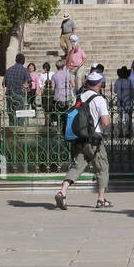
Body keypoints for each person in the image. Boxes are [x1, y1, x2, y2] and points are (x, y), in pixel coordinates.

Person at [55, 71, 112, 210]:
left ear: (87, 83)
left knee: (77, 166)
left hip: (79, 138)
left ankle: (62, 192)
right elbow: (105, 123)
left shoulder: (78, 97)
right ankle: (101, 199)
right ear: (99, 84)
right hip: (94, 140)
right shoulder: (99, 99)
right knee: (102, 168)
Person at [4, 52, 31, 119]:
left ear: (16, 60)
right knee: (20, 115)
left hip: (9, 95)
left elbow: (5, 83)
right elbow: (29, 81)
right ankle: (19, 129)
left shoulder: (9, 70)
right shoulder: (25, 70)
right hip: (19, 95)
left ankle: (11, 128)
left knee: (11, 115)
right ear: (23, 61)